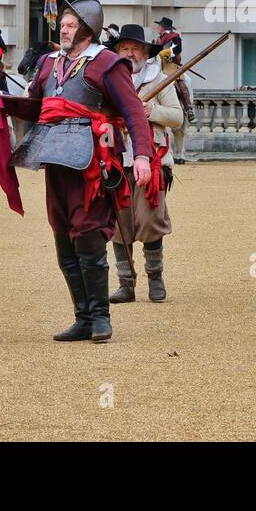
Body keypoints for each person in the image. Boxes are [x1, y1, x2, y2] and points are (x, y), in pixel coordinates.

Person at [9, 0, 152, 344]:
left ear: (87, 30)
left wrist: (144, 156)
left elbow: (133, 112)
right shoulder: (47, 63)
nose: (64, 29)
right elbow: (35, 107)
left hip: (92, 162)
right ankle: (83, 317)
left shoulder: (107, 63)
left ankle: (101, 318)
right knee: (63, 239)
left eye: (71, 25)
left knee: (87, 236)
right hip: (54, 159)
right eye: (63, 24)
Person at [106, 24, 183, 304]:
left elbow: (177, 118)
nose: (130, 53)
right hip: (116, 159)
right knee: (119, 222)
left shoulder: (160, 80)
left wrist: (152, 111)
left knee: (150, 220)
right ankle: (126, 283)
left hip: (153, 160)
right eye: (124, 48)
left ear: (144, 52)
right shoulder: (108, 82)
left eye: (135, 48)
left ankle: (155, 278)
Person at [154, 16, 195, 162]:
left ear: (163, 26)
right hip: (160, 67)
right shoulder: (159, 39)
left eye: (159, 25)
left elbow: (177, 50)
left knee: (181, 83)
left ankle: (188, 107)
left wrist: (166, 53)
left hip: (172, 67)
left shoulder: (175, 37)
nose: (157, 27)